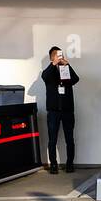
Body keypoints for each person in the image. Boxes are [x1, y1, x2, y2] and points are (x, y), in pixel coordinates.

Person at [41, 46, 80, 174]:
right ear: (52, 57)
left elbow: (75, 79)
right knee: (53, 139)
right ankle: (53, 164)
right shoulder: (49, 71)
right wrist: (54, 64)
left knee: (70, 138)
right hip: (53, 111)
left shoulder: (66, 70)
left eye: (61, 55)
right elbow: (45, 77)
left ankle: (70, 164)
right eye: (57, 55)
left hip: (68, 110)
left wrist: (67, 65)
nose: (60, 57)